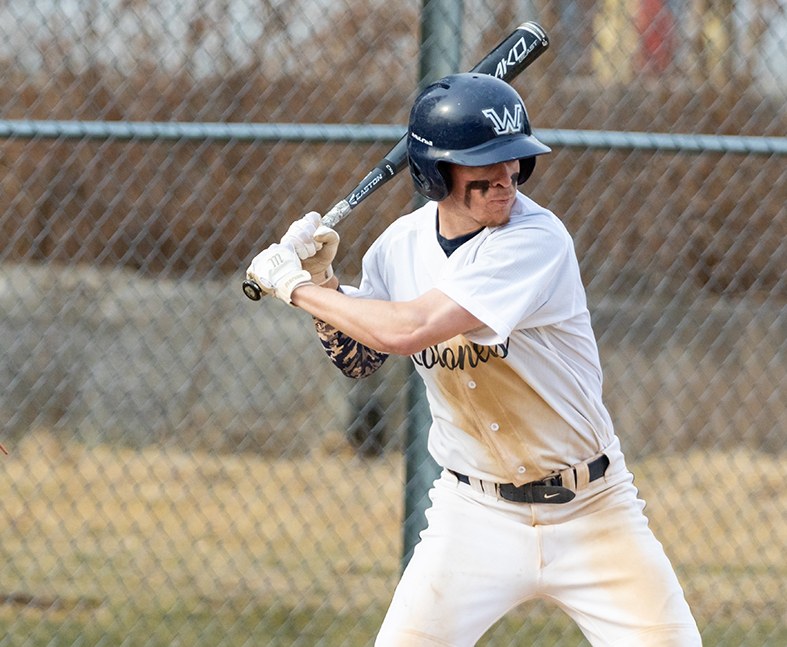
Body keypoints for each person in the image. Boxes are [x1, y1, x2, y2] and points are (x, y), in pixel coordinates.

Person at [247, 73, 701, 647]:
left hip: (591, 513)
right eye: (484, 166)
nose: (505, 179)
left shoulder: (535, 239)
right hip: (474, 514)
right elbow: (360, 359)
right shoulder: (399, 246)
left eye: (514, 161)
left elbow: (411, 330)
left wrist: (296, 289)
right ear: (436, 173)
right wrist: (325, 283)